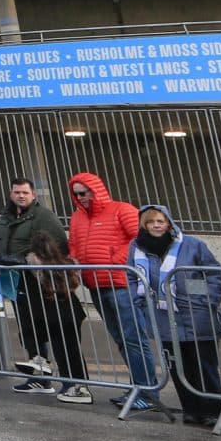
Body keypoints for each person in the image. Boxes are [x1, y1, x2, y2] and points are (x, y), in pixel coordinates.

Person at [126, 205, 221, 426]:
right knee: (177, 366)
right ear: (144, 225)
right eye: (151, 221)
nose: (156, 225)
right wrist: (140, 303)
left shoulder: (192, 244)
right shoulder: (137, 247)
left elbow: (213, 274)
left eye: (160, 221)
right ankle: (190, 409)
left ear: (169, 223)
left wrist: (203, 300)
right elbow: (132, 277)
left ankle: (212, 411)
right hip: (163, 318)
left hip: (196, 317)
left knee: (203, 366)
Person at [67, 172, 159, 408]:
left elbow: (140, 237)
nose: (81, 197)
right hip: (96, 284)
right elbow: (74, 245)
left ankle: (147, 392)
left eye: (84, 192)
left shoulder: (121, 210)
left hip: (121, 283)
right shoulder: (77, 218)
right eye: (77, 194)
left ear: (95, 190)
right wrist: (75, 263)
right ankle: (138, 388)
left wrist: (116, 260)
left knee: (133, 338)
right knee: (121, 338)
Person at [0, 178, 64, 378]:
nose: (21, 196)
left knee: (39, 321)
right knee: (25, 322)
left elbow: (60, 243)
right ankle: (36, 365)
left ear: (33, 195)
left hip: (35, 278)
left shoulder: (43, 216)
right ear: (11, 194)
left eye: (25, 192)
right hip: (12, 277)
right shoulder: (6, 217)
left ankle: (45, 366)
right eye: (17, 192)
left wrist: (32, 259)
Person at [22, 229, 93, 403]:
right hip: (72, 311)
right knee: (72, 350)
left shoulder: (35, 266)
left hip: (55, 313)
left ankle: (76, 388)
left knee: (63, 351)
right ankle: (76, 386)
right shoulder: (66, 263)